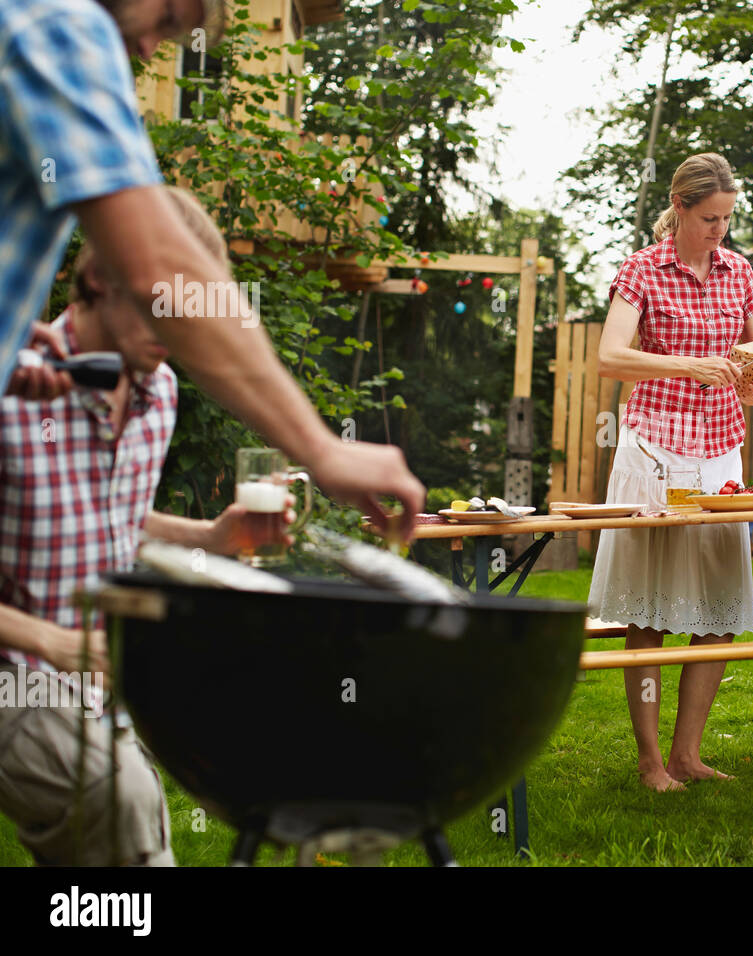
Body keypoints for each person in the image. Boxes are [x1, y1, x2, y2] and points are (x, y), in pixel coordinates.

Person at [0, 0, 424, 538]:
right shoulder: (59, 23)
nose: (149, 49)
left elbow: (112, 526)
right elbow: (162, 274)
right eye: (169, 20)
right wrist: (320, 448)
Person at [0, 186, 292, 865]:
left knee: (148, 816)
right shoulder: (16, 389)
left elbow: (108, 526)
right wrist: (49, 637)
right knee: (119, 795)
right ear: (100, 277)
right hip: (14, 669)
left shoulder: (158, 394)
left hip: (94, 675)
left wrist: (211, 539)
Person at [590, 153, 753, 791]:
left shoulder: (739, 273)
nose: (720, 231)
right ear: (680, 209)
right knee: (650, 614)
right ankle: (651, 761)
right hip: (655, 451)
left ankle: (688, 755)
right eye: (710, 218)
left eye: (727, 219)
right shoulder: (643, 269)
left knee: (718, 608)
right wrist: (690, 365)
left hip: (720, 455)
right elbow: (608, 357)